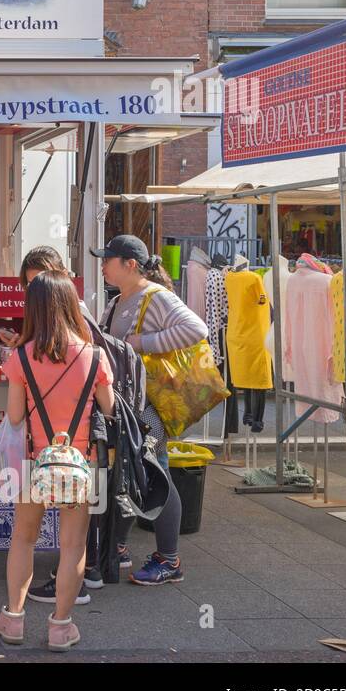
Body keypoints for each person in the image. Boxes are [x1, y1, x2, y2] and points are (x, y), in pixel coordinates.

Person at [0, 270, 114, 652]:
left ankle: (13, 620)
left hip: (33, 462)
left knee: (24, 538)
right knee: (73, 545)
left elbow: (14, 417)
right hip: (82, 463)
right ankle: (61, 626)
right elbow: (109, 410)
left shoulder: (20, 358)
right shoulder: (95, 356)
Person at [94, 234, 208, 586]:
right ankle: (120, 547)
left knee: (153, 472)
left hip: (151, 407)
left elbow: (196, 328)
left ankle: (169, 559)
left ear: (130, 264)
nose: (102, 265)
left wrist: (140, 344)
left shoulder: (155, 298)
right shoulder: (116, 302)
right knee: (129, 471)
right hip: (129, 405)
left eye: (108, 259)